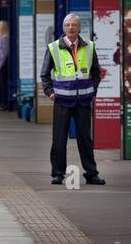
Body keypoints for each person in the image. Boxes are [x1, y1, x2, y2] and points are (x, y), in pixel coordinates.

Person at [40, 14, 105, 185]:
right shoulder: (54, 48)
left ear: (79, 27)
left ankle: (91, 173)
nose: (71, 28)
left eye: (74, 25)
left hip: (83, 101)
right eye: (68, 25)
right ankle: (57, 173)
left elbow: (96, 73)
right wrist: (49, 92)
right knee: (59, 139)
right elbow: (44, 74)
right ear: (63, 28)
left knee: (85, 139)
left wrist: (93, 91)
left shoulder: (89, 47)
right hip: (62, 101)